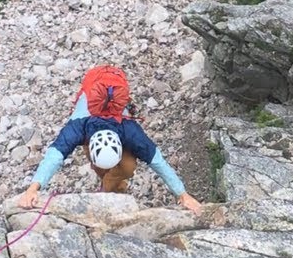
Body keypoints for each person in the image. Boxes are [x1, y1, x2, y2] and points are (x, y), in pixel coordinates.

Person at [17, 66, 203, 216]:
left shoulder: (129, 130)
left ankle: (107, 191)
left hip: (116, 124)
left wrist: (183, 194)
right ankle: (113, 190)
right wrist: (34, 188)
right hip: (90, 123)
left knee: (128, 167)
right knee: (103, 169)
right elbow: (54, 156)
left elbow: (157, 160)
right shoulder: (77, 127)